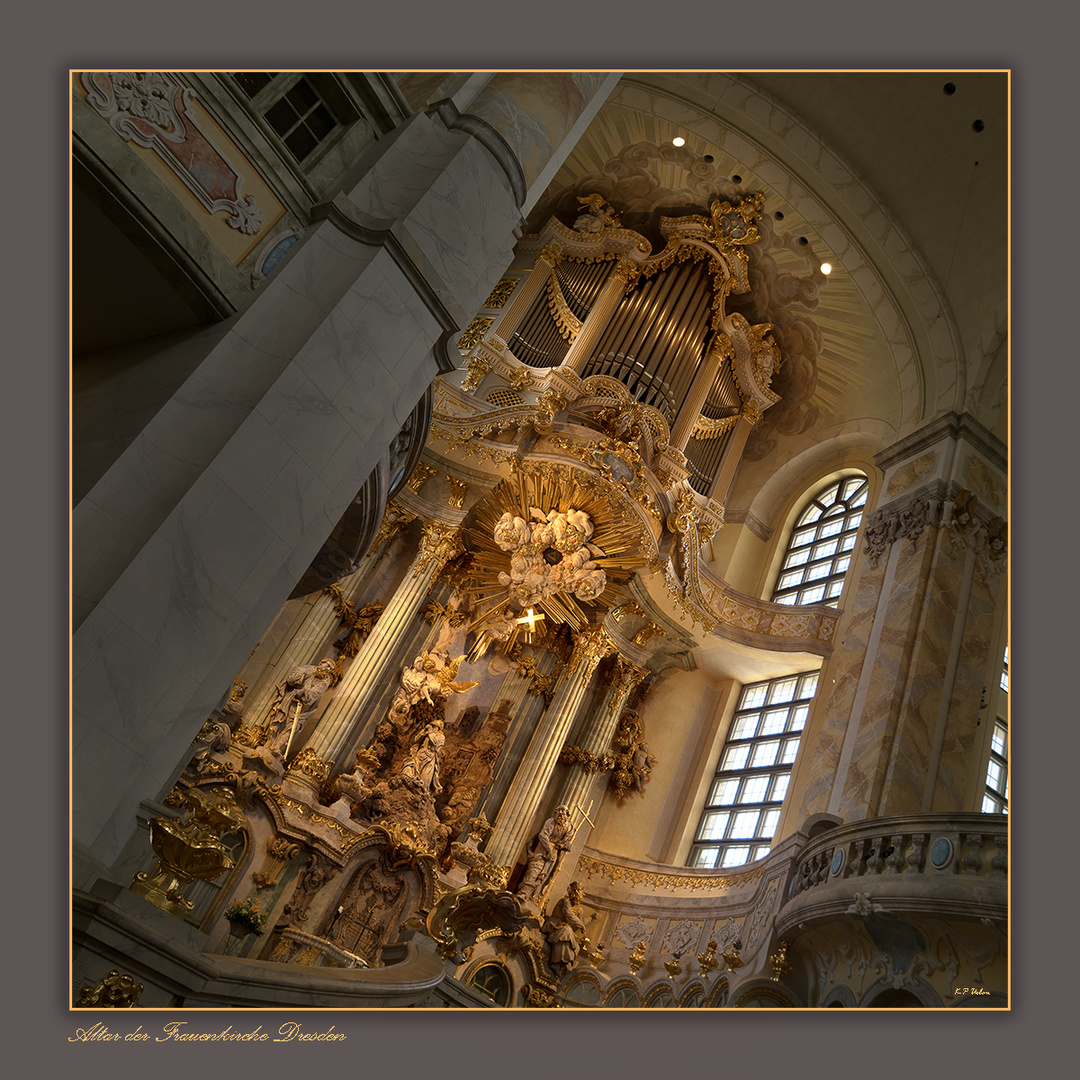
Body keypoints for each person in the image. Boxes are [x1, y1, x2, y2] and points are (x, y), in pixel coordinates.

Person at [264, 658, 338, 759]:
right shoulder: (307, 668)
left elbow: (316, 692)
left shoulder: (325, 680)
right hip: (290, 699)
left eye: (330, 668)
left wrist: (304, 693)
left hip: (303, 707)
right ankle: (268, 743)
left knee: (293, 726)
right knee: (279, 720)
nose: (327, 668)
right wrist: (294, 679)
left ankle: (276, 747)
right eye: (327, 665)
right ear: (322, 662)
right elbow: (291, 680)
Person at [516, 805, 575, 901]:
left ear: (567, 815)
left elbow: (566, 842)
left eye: (563, 811)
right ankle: (523, 893)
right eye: (558, 811)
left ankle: (532, 898)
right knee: (534, 870)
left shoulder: (569, 827)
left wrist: (563, 846)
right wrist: (549, 849)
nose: (560, 813)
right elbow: (543, 835)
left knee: (543, 878)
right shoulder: (551, 822)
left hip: (553, 855)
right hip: (541, 851)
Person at [543, 881, 588, 976]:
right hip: (554, 926)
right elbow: (570, 916)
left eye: (578, 898)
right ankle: (557, 962)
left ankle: (567, 963)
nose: (576, 899)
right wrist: (582, 926)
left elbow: (579, 922)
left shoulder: (579, 909)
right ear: (571, 894)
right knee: (566, 932)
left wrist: (590, 919)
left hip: (564, 928)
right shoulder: (564, 901)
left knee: (577, 945)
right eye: (575, 896)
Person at [399, 717, 445, 794]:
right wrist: (423, 732)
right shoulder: (428, 734)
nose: (432, 727)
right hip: (420, 754)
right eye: (432, 725)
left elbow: (435, 742)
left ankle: (421, 794)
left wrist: (430, 731)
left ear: (439, 728)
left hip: (429, 759)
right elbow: (416, 740)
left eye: (434, 726)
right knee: (410, 770)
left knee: (425, 779)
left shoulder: (441, 737)